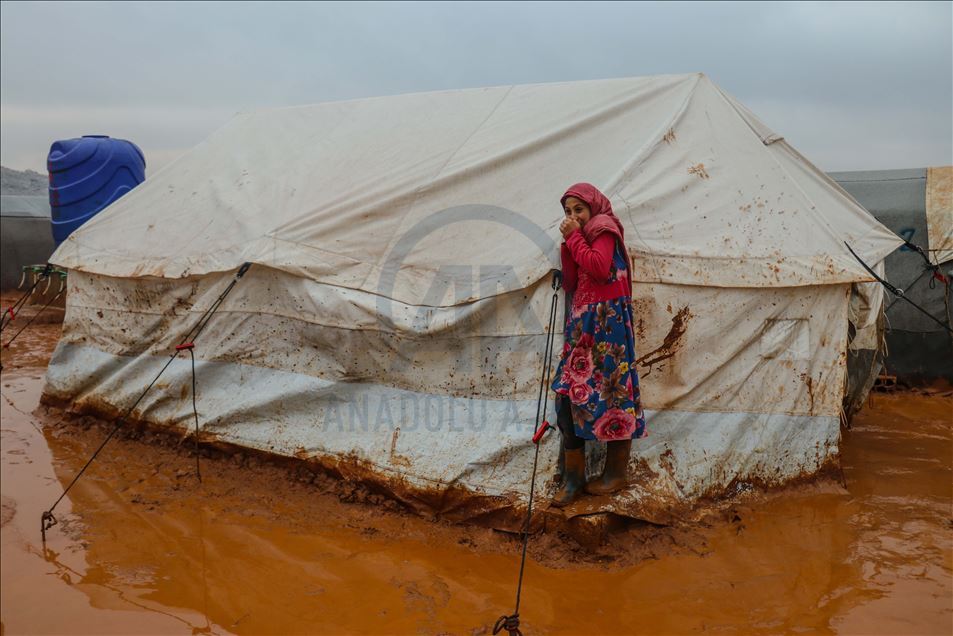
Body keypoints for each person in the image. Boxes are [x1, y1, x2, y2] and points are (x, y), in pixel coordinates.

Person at [550, 182, 647, 507]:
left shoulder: (604, 230)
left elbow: (600, 268)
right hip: (583, 331)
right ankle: (574, 478)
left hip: (608, 331)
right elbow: (573, 282)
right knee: (566, 399)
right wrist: (569, 244)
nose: (574, 216)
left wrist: (573, 237)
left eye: (579, 209)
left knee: (614, 395)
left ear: (593, 207)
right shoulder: (581, 237)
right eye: (568, 211)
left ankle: (615, 473)